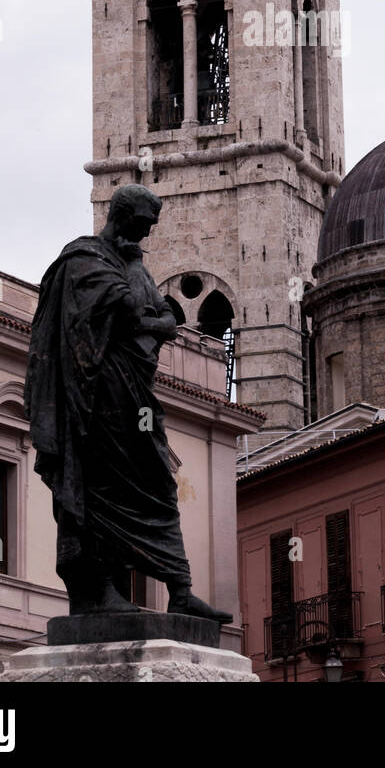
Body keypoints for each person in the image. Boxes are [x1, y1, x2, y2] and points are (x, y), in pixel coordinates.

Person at [24, 183, 232, 624]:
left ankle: (180, 590)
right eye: (142, 225)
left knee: (159, 484)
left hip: (136, 399)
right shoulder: (84, 260)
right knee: (101, 492)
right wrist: (147, 318)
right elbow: (133, 313)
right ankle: (100, 591)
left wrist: (147, 315)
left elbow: (166, 320)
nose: (146, 235)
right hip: (96, 402)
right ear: (121, 216)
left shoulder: (131, 263)